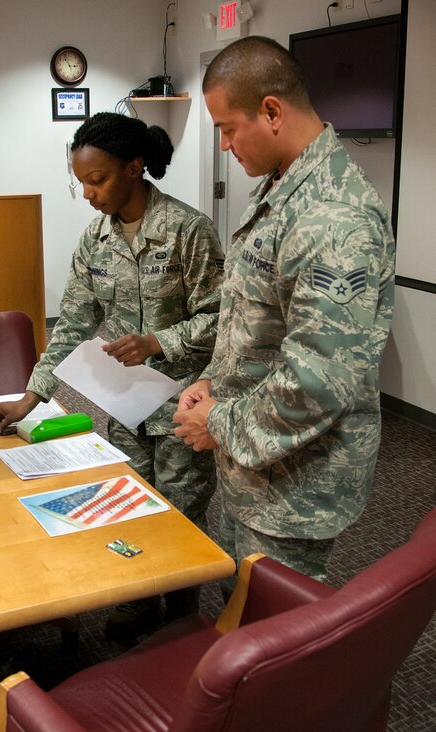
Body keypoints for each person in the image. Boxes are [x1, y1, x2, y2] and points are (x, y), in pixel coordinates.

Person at [173, 36, 396, 594]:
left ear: (271, 111)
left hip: (295, 479)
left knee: (276, 641)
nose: (224, 146)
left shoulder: (330, 216)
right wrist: (213, 382)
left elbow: (319, 381)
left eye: (227, 128)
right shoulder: (284, 184)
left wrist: (217, 421)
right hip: (256, 458)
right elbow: (261, 318)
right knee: (239, 609)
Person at [0, 111, 224, 638]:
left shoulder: (188, 230)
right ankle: (137, 602)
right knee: (131, 504)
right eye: (81, 183)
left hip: (185, 406)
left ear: (134, 168)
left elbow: (220, 317)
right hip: (126, 404)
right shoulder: (95, 240)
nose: (89, 194)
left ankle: (182, 617)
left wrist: (159, 341)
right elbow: (73, 323)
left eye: (96, 180)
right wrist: (31, 399)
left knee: (182, 513)